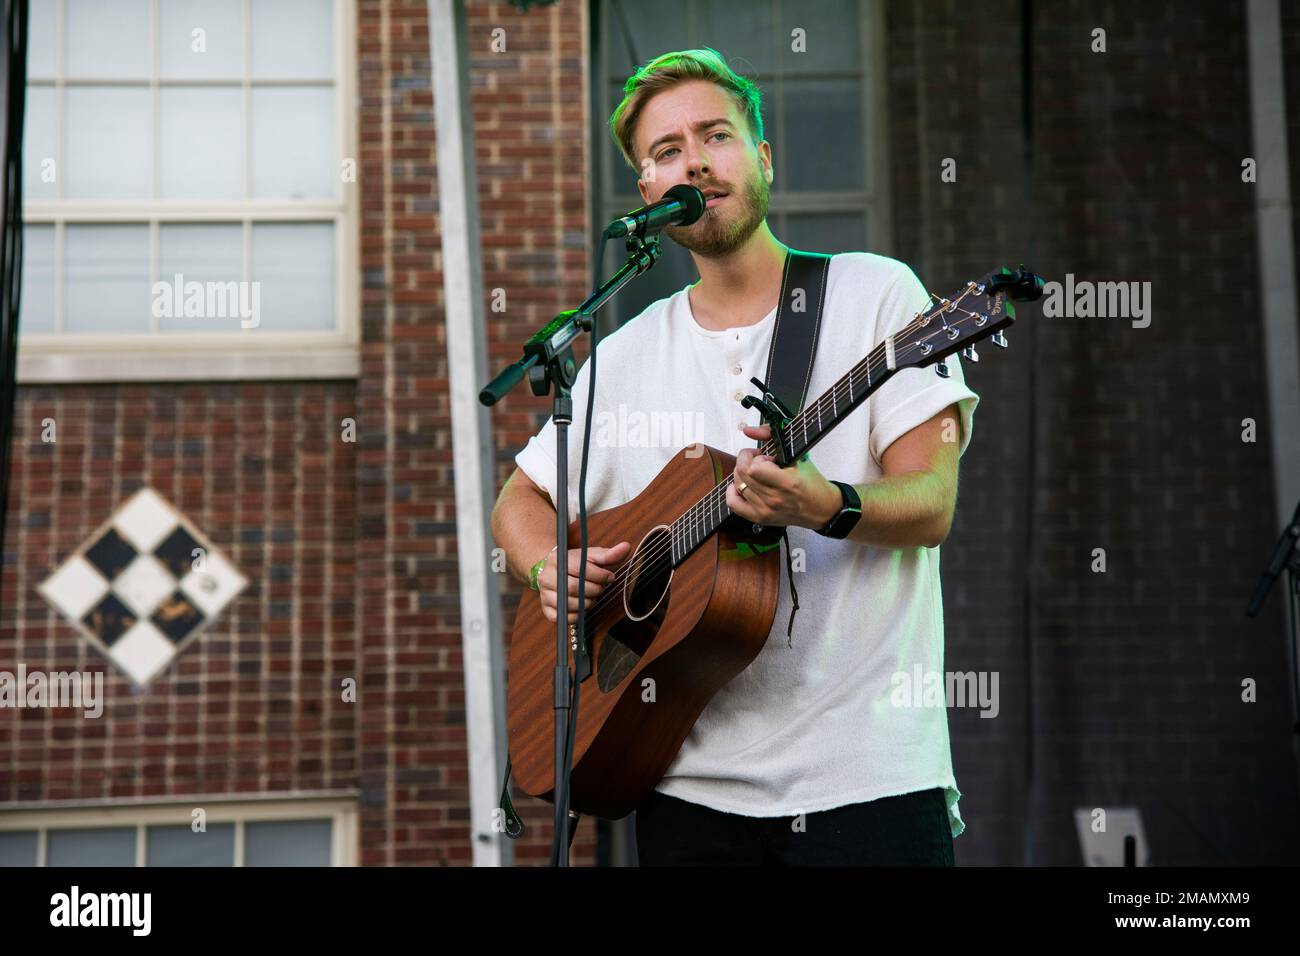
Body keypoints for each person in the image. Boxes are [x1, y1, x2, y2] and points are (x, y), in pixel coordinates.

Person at [490, 47, 978, 866]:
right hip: (685, 789)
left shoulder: (878, 297)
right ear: (647, 192)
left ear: (762, 156)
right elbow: (518, 503)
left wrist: (825, 505)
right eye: (666, 152)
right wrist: (549, 572)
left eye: (714, 135)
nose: (695, 162)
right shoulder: (628, 351)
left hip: (872, 784)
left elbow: (932, 502)